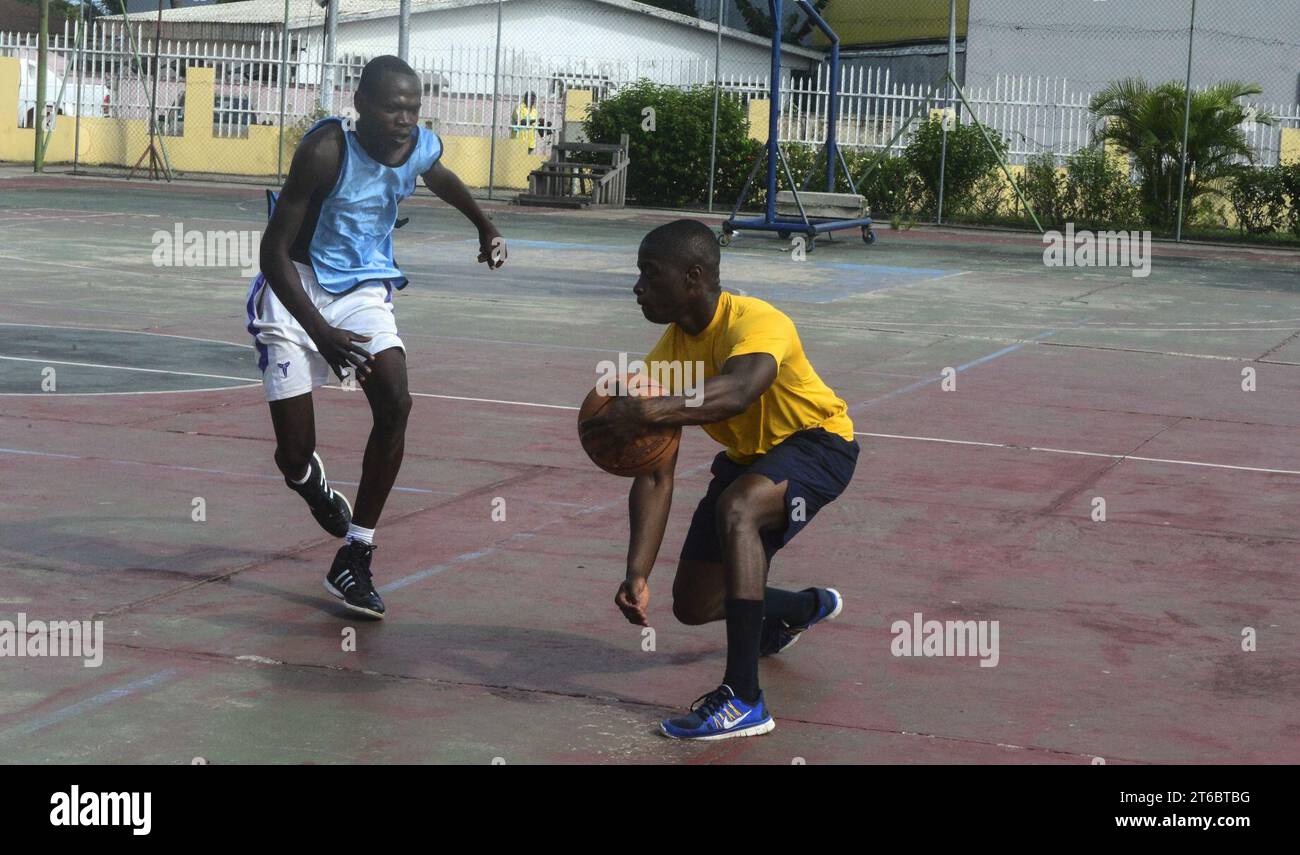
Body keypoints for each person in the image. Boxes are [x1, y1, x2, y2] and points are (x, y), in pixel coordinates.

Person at [247, 55, 506, 619]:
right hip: (297, 288)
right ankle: (309, 483)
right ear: (360, 104)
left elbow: (441, 177)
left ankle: (356, 552)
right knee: (293, 452)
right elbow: (272, 252)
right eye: (392, 107)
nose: (405, 119)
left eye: (413, 108)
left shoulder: (416, 146)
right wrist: (322, 332)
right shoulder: (325, 151)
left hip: (363, 287)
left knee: (396, 399)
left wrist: (485, 226)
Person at [581, 219, 859, 740]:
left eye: (649, 274)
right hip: (748, 460)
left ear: (692, 277)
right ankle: (802, 607)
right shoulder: (666, 356)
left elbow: (739, 390)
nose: (637, 287)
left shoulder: (757, 320)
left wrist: (647, 409)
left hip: (818, 445)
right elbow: (655, 474)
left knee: (740, 509)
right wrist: (637, 571)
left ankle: (744, 698)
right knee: (694, 604)